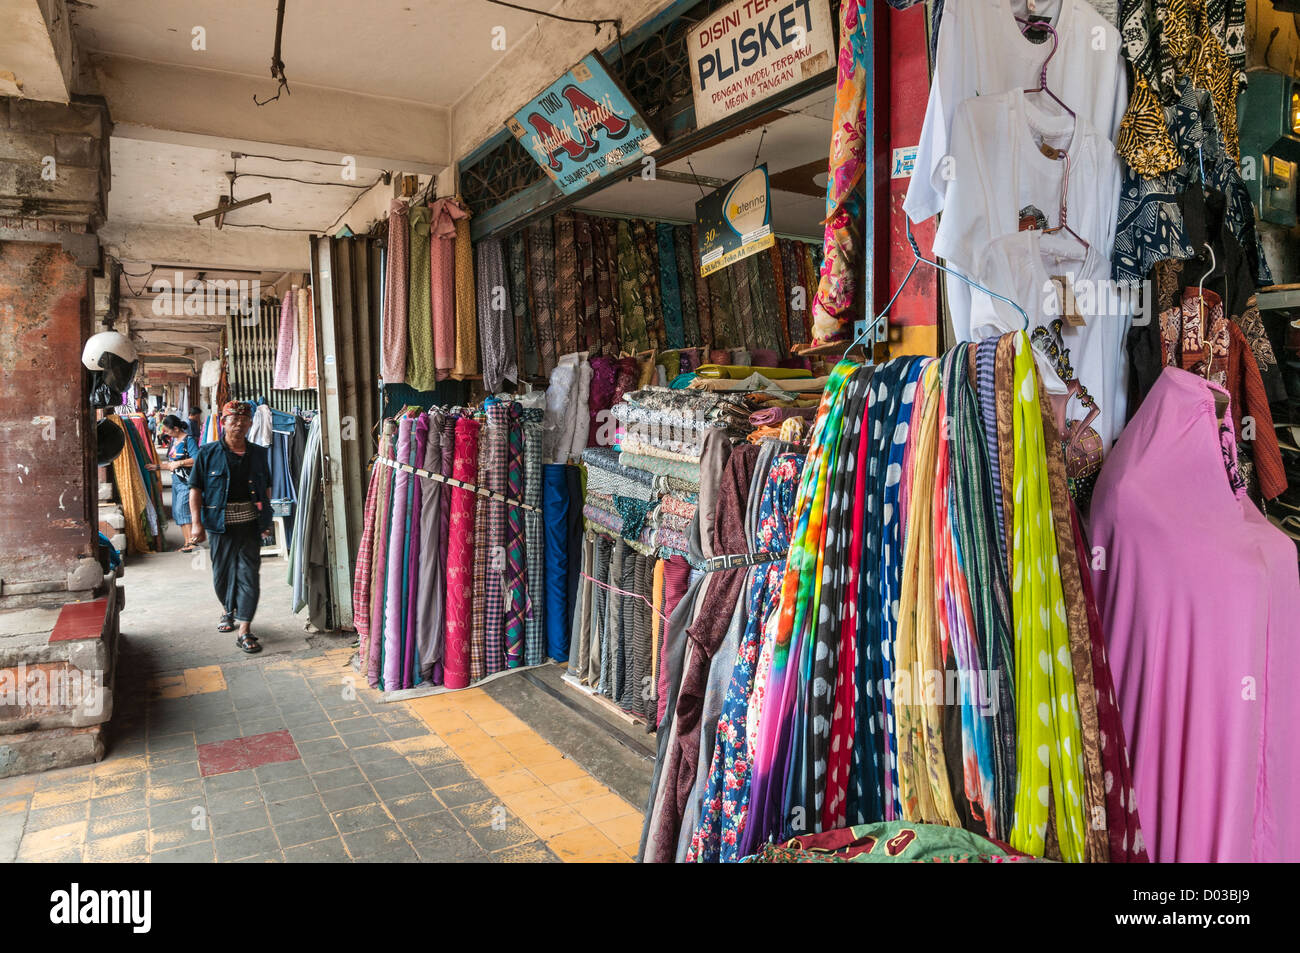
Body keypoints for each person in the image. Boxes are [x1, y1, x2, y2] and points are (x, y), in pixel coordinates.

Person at [188, 401, 273, 654]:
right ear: (223, 422)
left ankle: (244, 629)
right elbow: (196, 490)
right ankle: (228, 609)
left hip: (249, 524)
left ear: (250, 424)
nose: (238, 425)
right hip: (219, 524)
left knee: (249, 574)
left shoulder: (258, 453)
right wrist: (196, 524)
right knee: (222, 575)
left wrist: (265, 520)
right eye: (233, 420)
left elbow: (266, 488)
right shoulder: (207, 453)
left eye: (244, 421)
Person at [146, 414, 202, 552]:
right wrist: (157, 467)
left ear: (176, 428)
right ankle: (187, 542)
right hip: (176, 481)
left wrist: (180, 462)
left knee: (182, 510)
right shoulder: (173, 442)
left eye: (168, 430)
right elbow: (172, 464)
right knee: (178, 513)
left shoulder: (189, 441)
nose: (166, 433)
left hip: (187, 481)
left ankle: (192, 543)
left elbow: (196, 459)